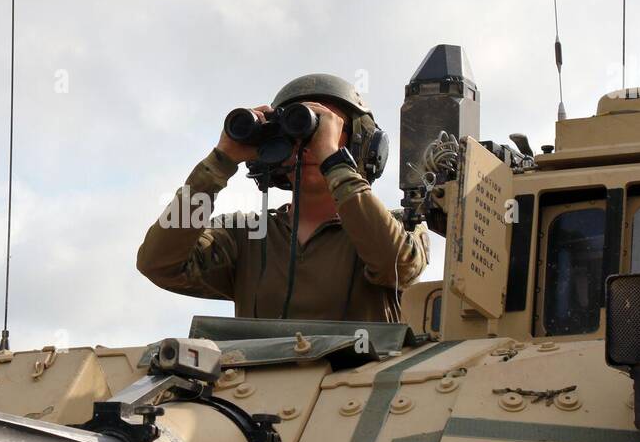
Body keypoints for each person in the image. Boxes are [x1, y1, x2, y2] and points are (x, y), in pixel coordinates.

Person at [137, 73, 430, 322]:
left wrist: (332, 159)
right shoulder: (246, 236)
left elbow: (399, 265)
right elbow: (159, 263)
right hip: (252, 389)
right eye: (297, 130)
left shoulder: (401, 225)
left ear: (362, 144)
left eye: (324, 128)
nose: (307, 145)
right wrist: (219, 163)